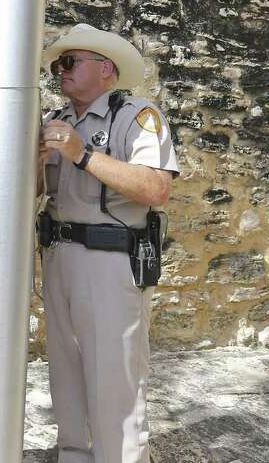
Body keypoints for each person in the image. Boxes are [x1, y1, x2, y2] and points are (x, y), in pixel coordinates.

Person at [39, 23, 179, 463]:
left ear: (105, 69)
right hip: (59, 254)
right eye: (59, 63)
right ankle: (74, 455)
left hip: (111, 259)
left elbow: (156, 188)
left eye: (69, 62)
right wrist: (34, 161)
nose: (59, 71)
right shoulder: (55, 122)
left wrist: (83, 154)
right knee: (65, 371)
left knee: (114, 377)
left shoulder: (136, 116)